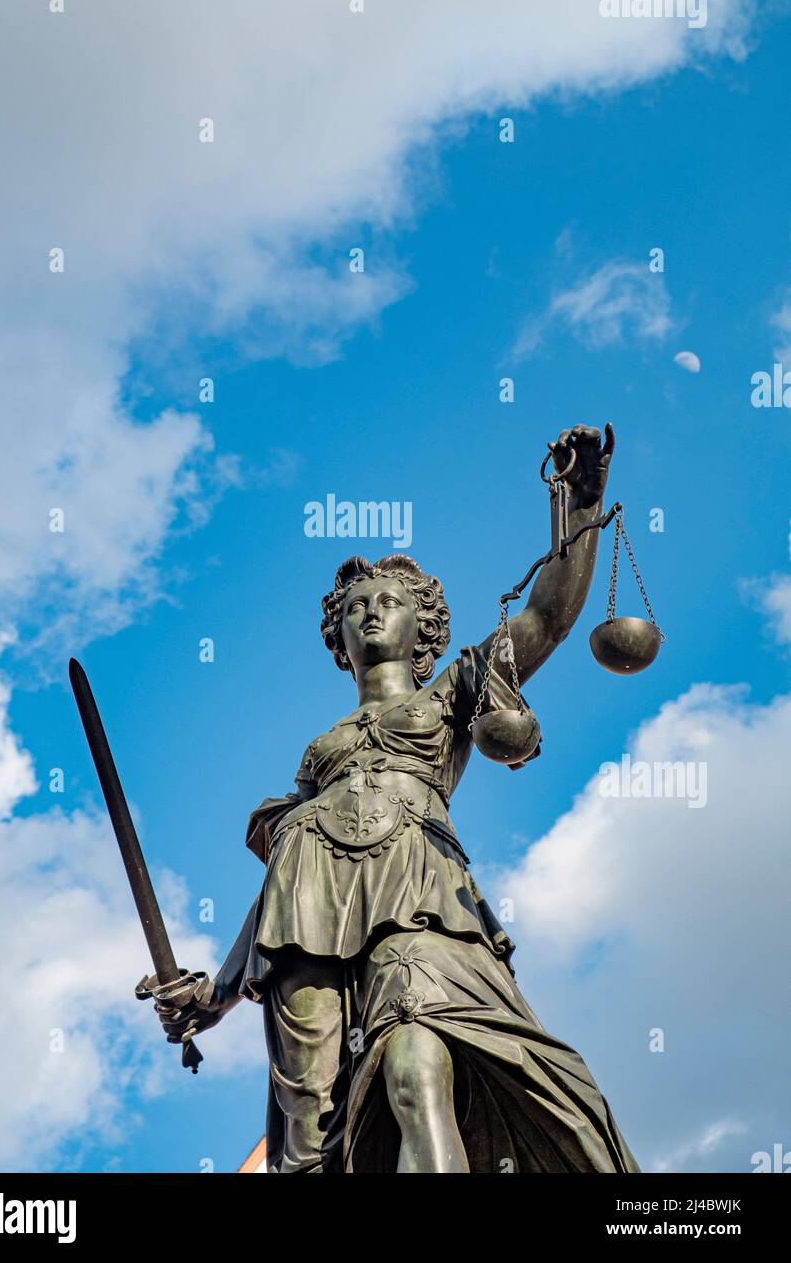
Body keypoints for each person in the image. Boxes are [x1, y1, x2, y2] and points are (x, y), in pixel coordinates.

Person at [145, 423, 640, 1174]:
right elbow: (278, 886)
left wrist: (578, 506)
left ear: (425, 628)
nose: (371, 612)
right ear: (337, 637)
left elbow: (546, 619)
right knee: (310, 1122)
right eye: (355, 606)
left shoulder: (452, 695)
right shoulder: (317, 759)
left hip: (418, 896)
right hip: (305, 913)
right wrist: (212, 996)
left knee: (417, 1058)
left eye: (390, 601)